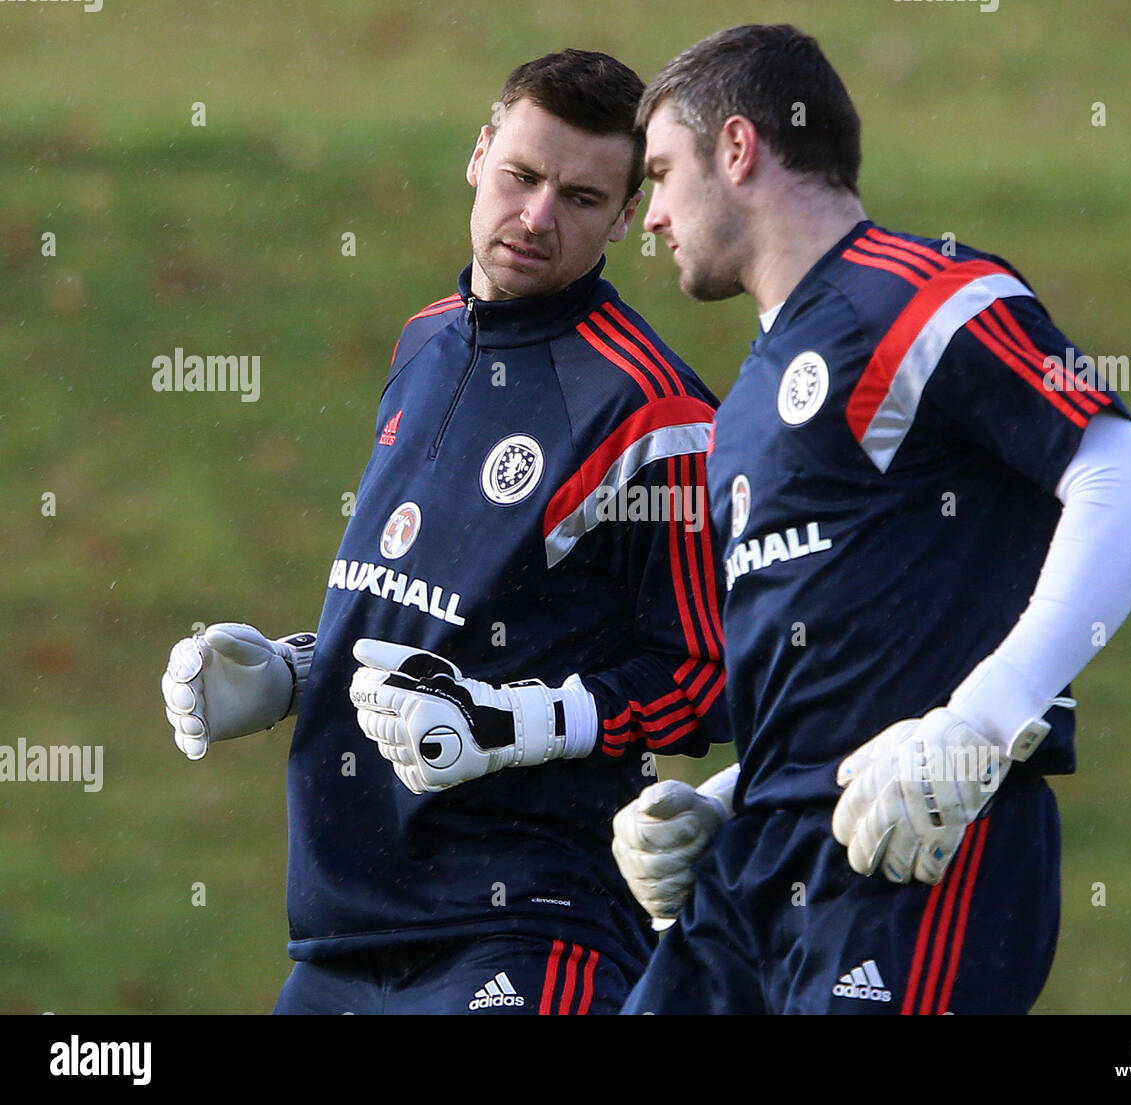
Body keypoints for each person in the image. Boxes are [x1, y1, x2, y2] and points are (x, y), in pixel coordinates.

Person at [611, 23, 1131, 1014]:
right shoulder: (747, 392)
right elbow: (851, 637)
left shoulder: (925, 299)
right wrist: (730, 796)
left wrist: (979, 721)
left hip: (915, 851)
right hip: (762, 860)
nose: (650, 216)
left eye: (660, 173)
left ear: (739, 148)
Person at [161, 49, 727, 1015]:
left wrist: (515, 726)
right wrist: (297, 670)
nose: (540, 217)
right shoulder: (426, 341)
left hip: (533, 925)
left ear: (629, 217)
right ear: (478, 155)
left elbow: (705, 681)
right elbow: (444, 611)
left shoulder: (653, 413)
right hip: (346, 918)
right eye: (523, 176)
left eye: (584, 198)